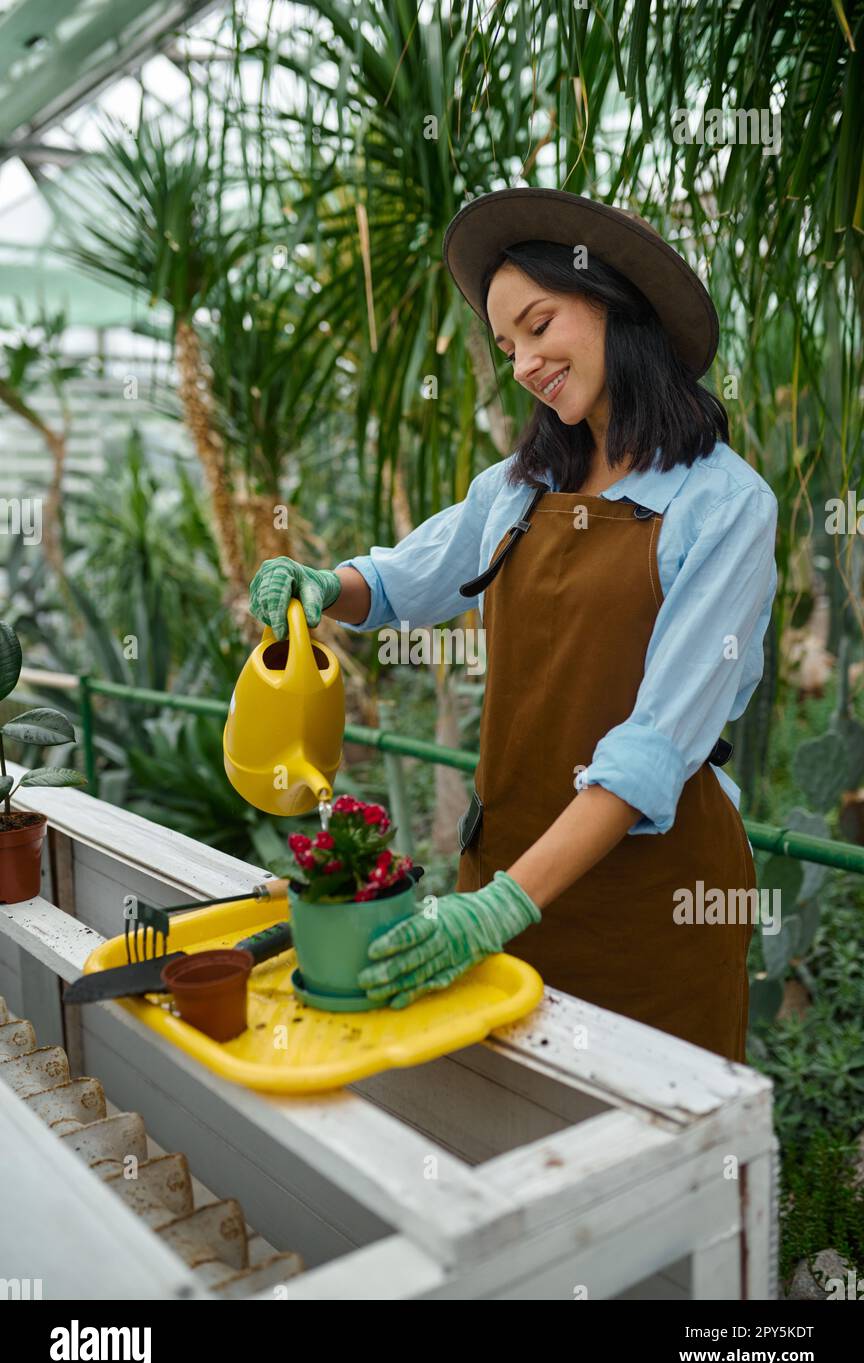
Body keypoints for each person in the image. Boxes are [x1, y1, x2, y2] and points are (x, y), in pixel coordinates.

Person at [248, 187, 778, 1062]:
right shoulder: (517, 487)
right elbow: (400, 585)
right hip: (501, 873)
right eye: (507, 346)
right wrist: (318, 582)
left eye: (539, 326)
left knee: (648, 1158)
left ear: (618, 305)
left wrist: (502, 908)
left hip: (649, 903)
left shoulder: (724, 505)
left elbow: (654, 745)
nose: (525, 363)